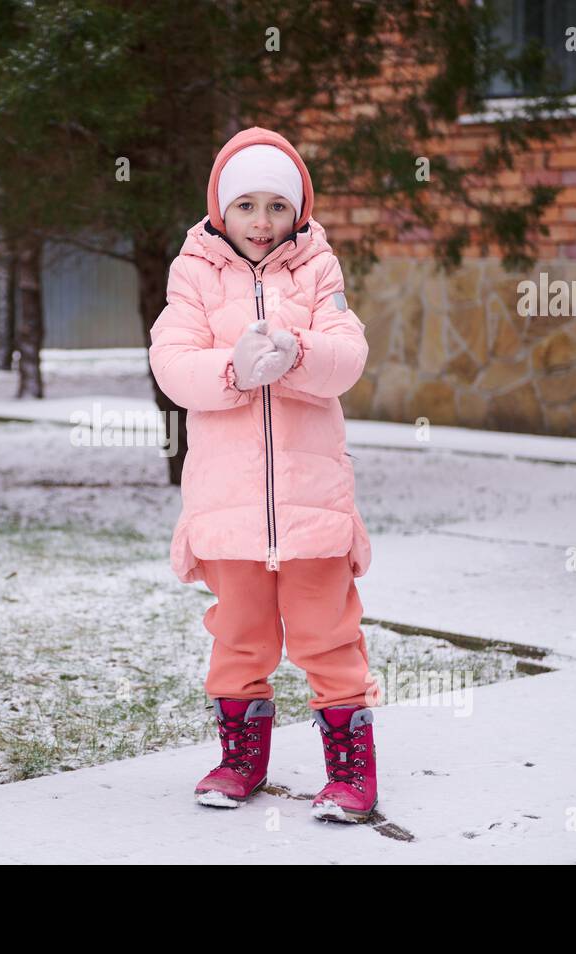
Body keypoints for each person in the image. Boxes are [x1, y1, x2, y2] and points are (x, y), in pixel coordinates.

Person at [148, 126, 381, 823]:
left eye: (277, 206)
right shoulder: (193, 273)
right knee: (240, 636)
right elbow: (172, 362)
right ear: (222, 210)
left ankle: (350, 770)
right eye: (245, 205)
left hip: (313, 505)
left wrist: (295, 352)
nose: (261, 221)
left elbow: (349, 353)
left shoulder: (319, 270)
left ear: (299, 210)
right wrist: (235, 370)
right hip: (229, 505)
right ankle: (239, 759)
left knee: (328, 635)